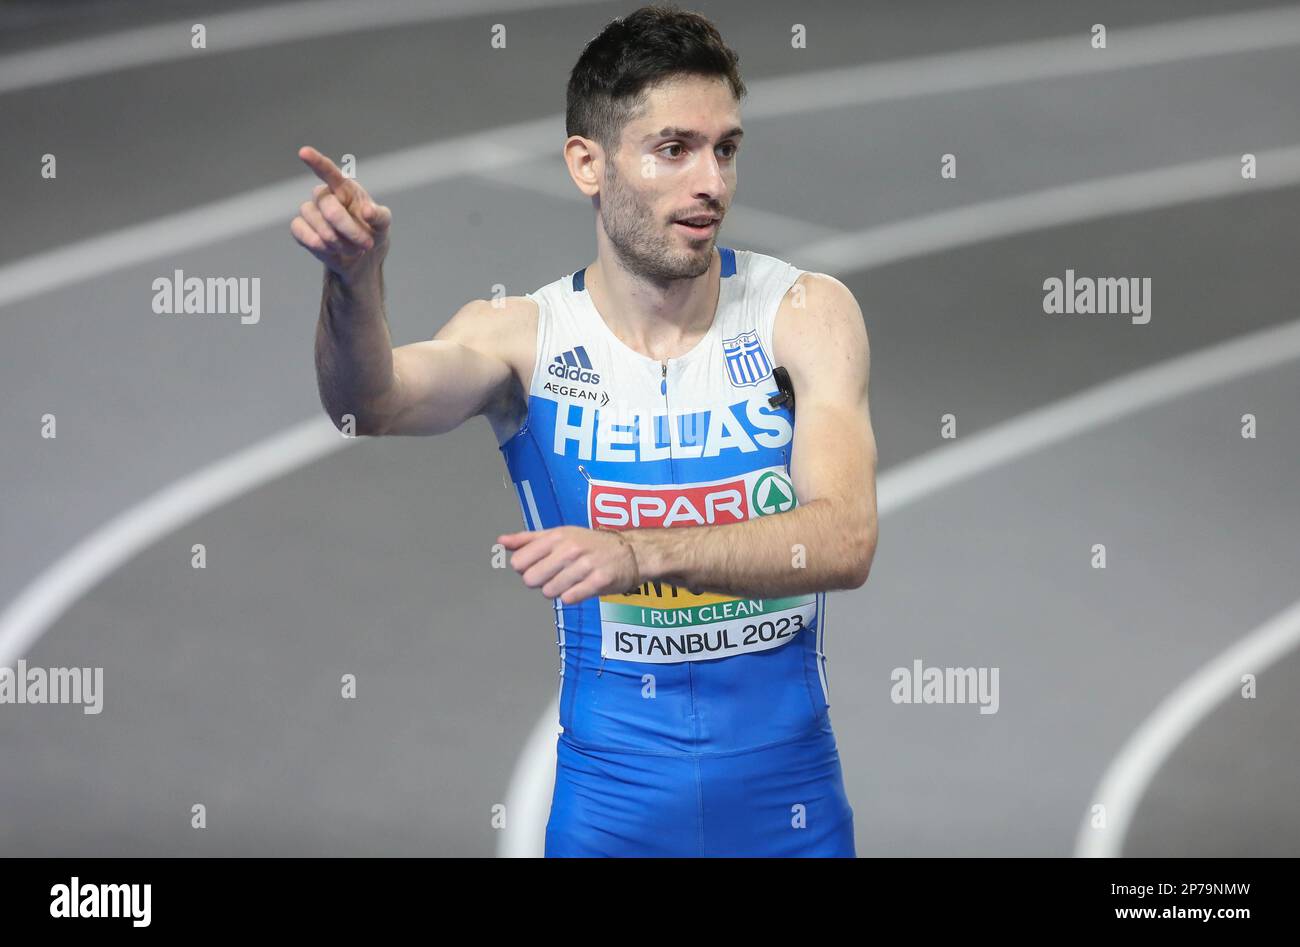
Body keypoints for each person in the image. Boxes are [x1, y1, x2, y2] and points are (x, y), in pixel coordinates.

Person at [291, 4, 878, 857]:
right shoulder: (520, 338)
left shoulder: (804, 315)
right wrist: (353, 284)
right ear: (587, 164)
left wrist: (639, 553)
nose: (710, 181)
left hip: (791, 812)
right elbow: (366, 404)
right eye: (673, 149)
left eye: (726, 148)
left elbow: (846, 537)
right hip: (610, 819)